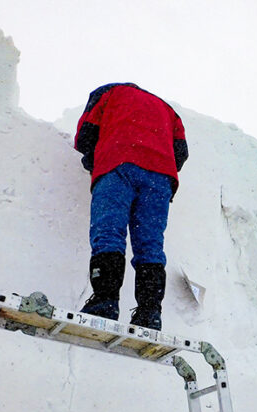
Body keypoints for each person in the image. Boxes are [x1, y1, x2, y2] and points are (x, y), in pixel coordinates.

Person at [74, 82, 189, 331]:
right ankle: (149, 313)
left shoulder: (108, 93)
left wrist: (94, 161)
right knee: (150, 245)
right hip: (160, 177)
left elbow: (85, 134)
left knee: (109, 232)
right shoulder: (169, 111)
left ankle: (105, 301)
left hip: (118, 162)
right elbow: (181, 152)